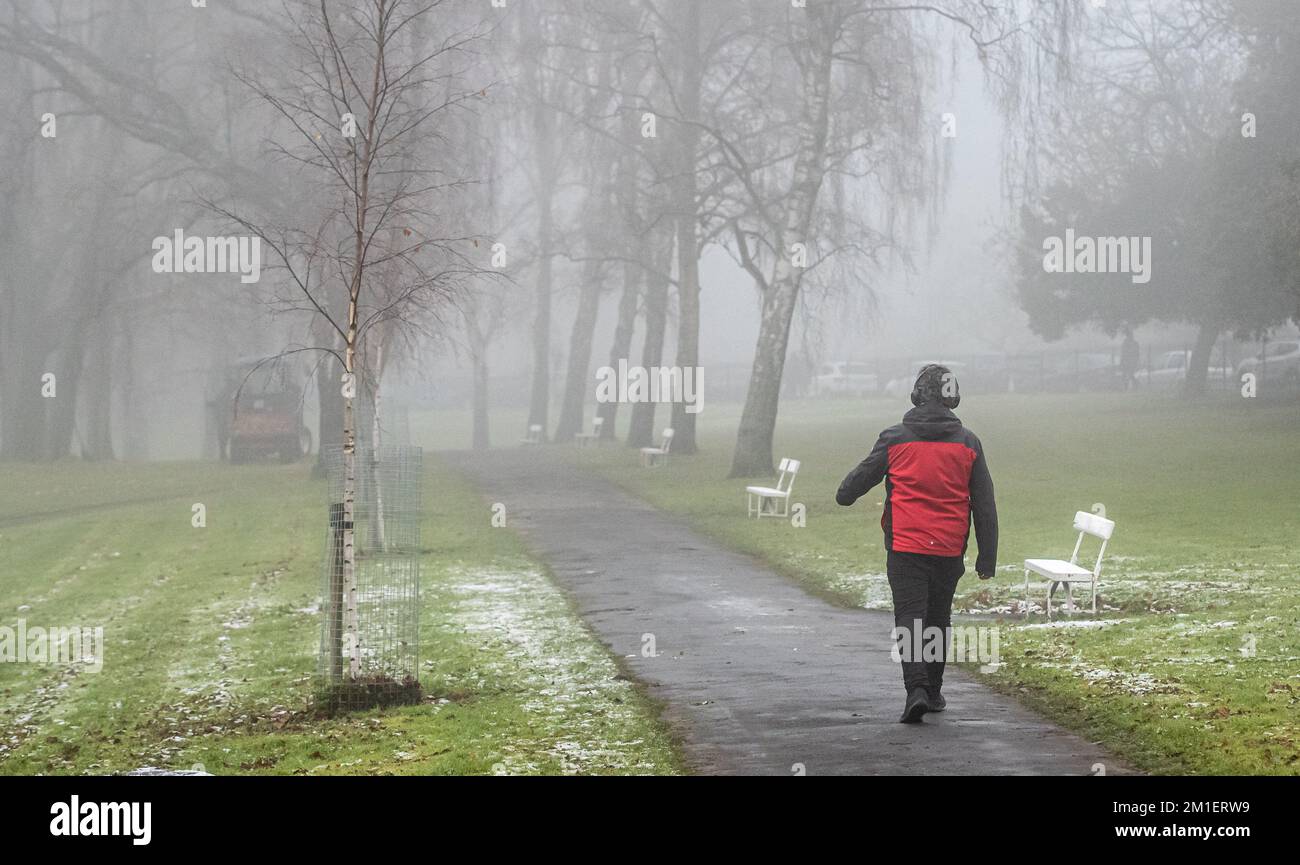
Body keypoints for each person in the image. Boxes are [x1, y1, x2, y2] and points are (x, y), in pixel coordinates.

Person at [835, 363, 998, 723]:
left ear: (916, 395)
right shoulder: (968, 443)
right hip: (948, 547)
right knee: (938, 618)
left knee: (910, 617)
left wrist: (845, 494)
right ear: (951, 398)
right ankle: (934, 691)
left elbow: (858, 481)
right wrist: (987, 558)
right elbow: (984, 502)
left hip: (906, 546)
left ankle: (917, 690)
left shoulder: (895, 438)